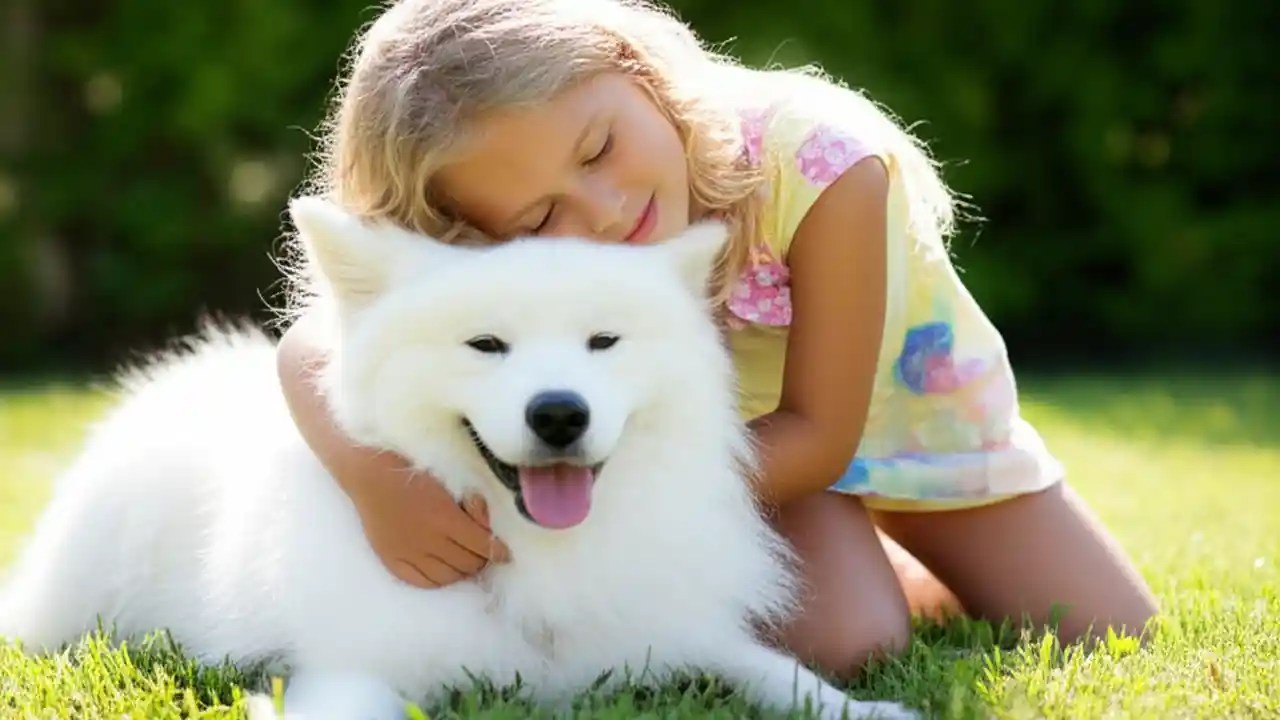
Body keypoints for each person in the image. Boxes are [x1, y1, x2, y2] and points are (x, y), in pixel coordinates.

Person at [275, 0, 1157, 681]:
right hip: (717, 458)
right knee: (849, 641)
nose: (607, 211)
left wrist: (613, 512)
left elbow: (821, 434)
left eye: (599, 149)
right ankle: (852, 566)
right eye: (541, 217)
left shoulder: (821, 161)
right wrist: (371, 479)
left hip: (891, 428)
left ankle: (894, 556)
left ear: (636, 68)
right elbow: (311, 343)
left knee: (1113, 631)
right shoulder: (478, 226)